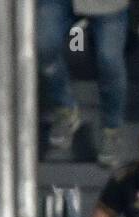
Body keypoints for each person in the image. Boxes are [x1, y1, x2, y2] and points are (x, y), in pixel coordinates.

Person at [36, 0, 131, 166]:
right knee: (43, 44)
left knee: (109, 60)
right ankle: (66, 109)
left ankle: (112, 129)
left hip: (109, 5)